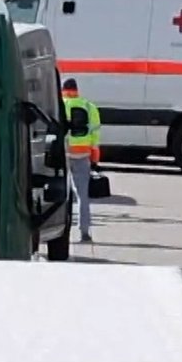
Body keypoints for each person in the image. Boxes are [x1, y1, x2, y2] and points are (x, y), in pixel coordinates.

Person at [61, 78, 101, 243]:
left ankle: (59, 229)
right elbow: (96, 134)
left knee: (60, 193)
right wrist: (95, 156)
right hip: (83, 154)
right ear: (77, 89)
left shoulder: (60, 105)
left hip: (63, 154)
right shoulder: (89, 107)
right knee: (83, 195)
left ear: (63, 89)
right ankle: (84, 232)